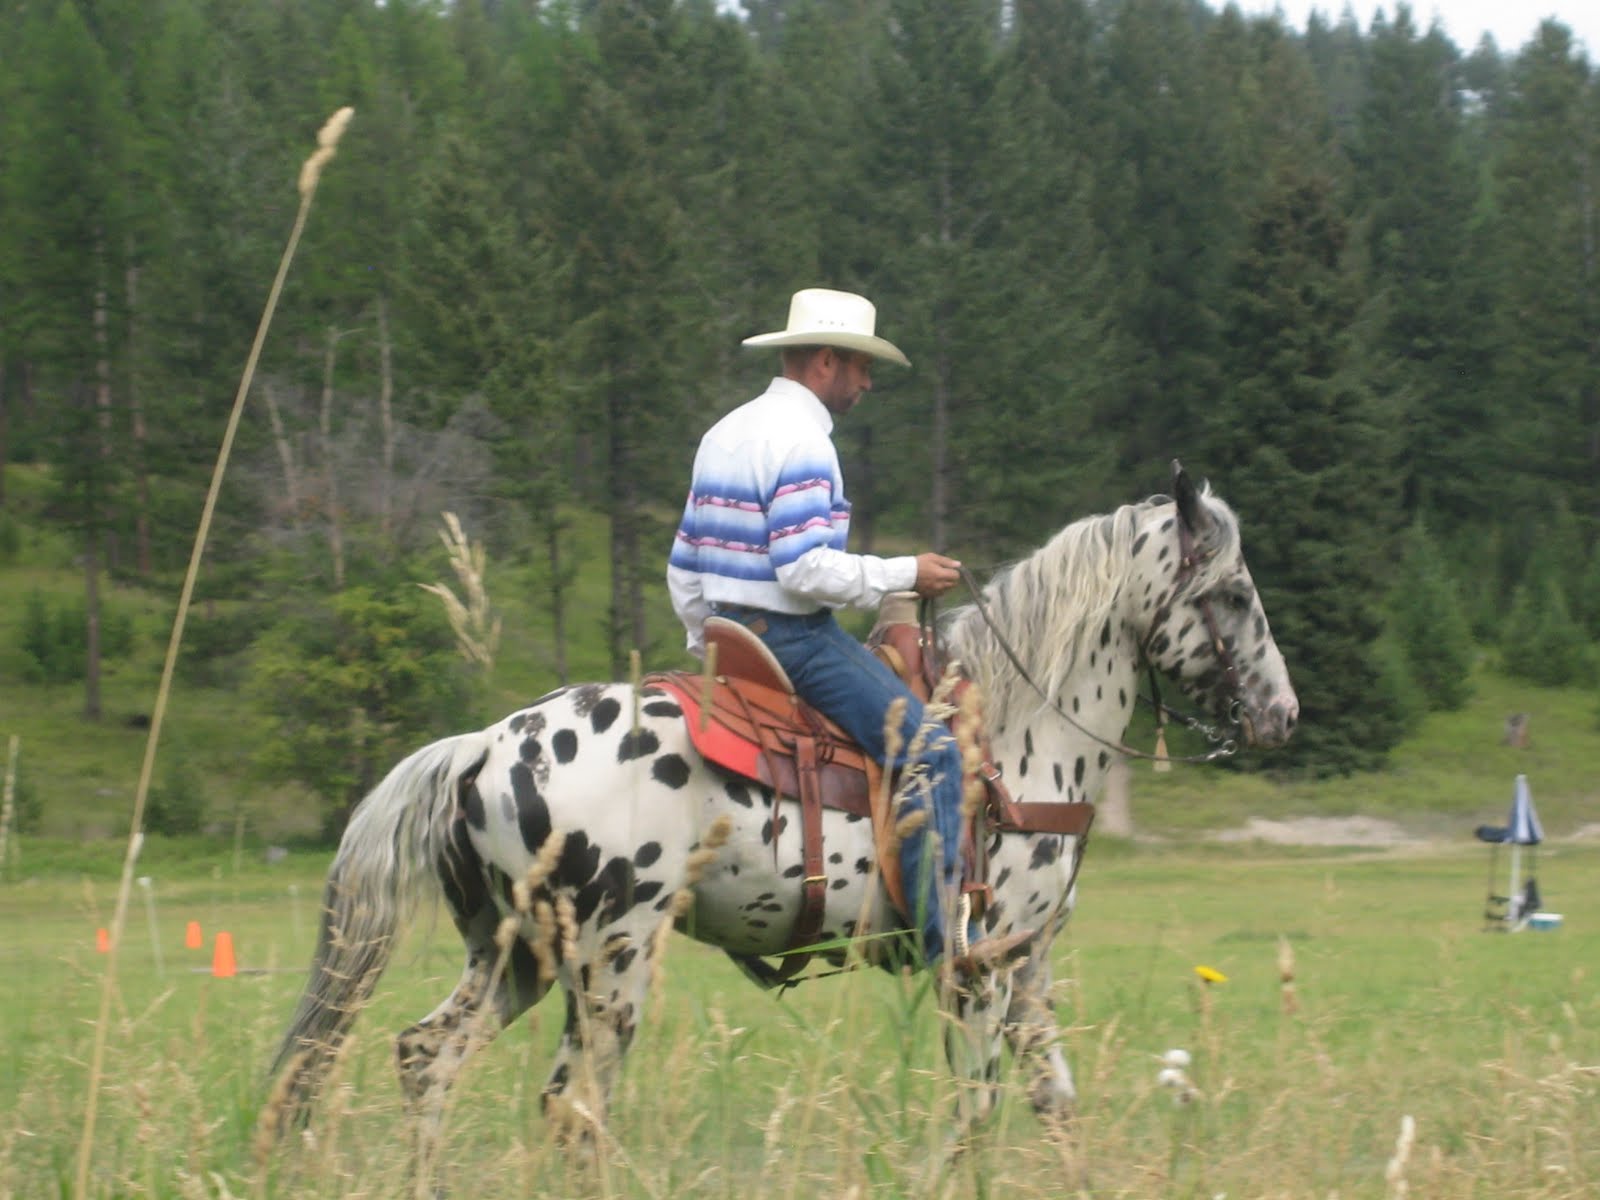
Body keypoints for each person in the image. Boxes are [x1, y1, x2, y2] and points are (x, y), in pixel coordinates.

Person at [667, 287, 1032, 977]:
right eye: (861, 367)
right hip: (795, 639)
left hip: (729, 635)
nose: (867, 383)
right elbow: (803, 568)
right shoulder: (804, 441)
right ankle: (944, 945)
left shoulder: (725, 432)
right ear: (826, 361)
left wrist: (708, 642)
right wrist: (904, 573)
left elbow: (684, 563)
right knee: (933, 751)